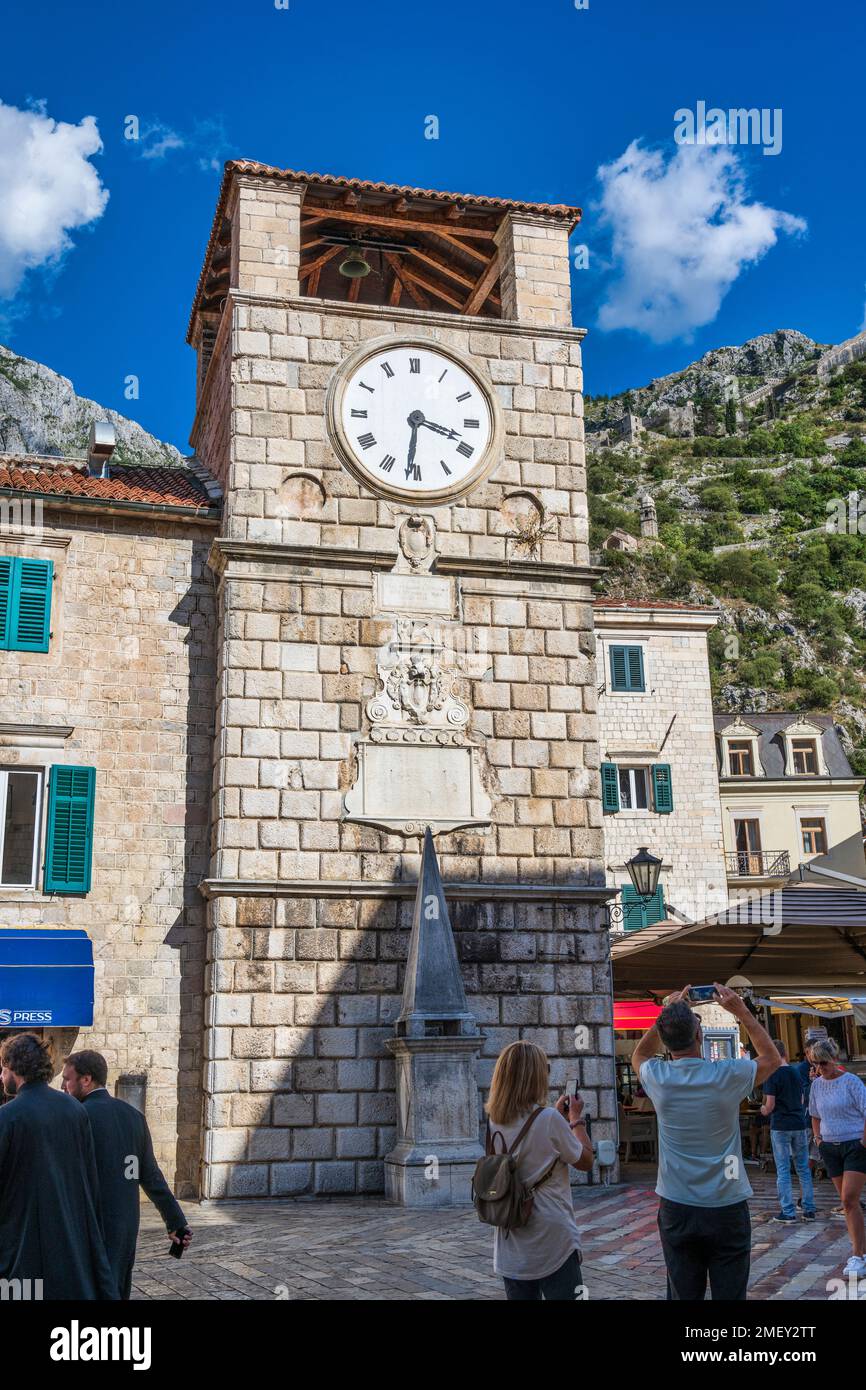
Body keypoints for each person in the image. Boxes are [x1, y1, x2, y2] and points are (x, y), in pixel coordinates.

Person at [632, 983, 781, 1301]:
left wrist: (666, 1014)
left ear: (666, 1039)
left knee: (683, 1293)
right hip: (725, 1203)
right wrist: (741, 1012)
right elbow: (771, 1058)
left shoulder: (660, 1078)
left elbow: (640, 1053)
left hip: (677, 1203)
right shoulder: (727, 1075)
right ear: (700, 1036)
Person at [62, 1050, 191, 1299]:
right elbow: (151, 1176)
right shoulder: (134, 1117)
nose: (64, 1087)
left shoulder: (78, 1117)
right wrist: (175, 1221)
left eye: (67, 1079)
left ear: (86, 1079)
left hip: (89, 1225)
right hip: (126, 1226)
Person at [0, 1033, 118, 1299]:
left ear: (15, 1069)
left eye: (3, 1068)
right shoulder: (75, 1110)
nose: (0, 1076)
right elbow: (90, 1182)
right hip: (70, 1243)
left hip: (20, 1249)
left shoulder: (7, 1117)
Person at [485, 1040, 594, 1300]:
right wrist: (575, 1120)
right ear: (534, 1076)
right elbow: (585, 1160)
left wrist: (553, 1116)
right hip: (551, 1239)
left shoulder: (493, 1121)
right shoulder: (549, 1120)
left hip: (511, 1236)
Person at [808, 1037, 866, 1278]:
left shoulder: (851, 1082)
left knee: (850, 1198)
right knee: (847, 1204)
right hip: (830, 1146)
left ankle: (857, 1255)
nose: (820, 1069)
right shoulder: (816, 1085)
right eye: (816, 1064)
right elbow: (814, 1114)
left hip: (854, 1144)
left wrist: (863, 1141)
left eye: (823, 1063)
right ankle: (860, 1251)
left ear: (834, 1059)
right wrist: (818, 1139)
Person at [760, 1041, 816, 1223]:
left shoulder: (772, 1075)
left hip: (781, 1126)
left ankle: (788, 1212)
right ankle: (809, 1209)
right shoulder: (795, 1071)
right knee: (803, 1168)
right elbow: (801, 1099)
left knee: (783, 1169)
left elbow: (770, 1106)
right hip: (799, 1123)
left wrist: (763, 1110)